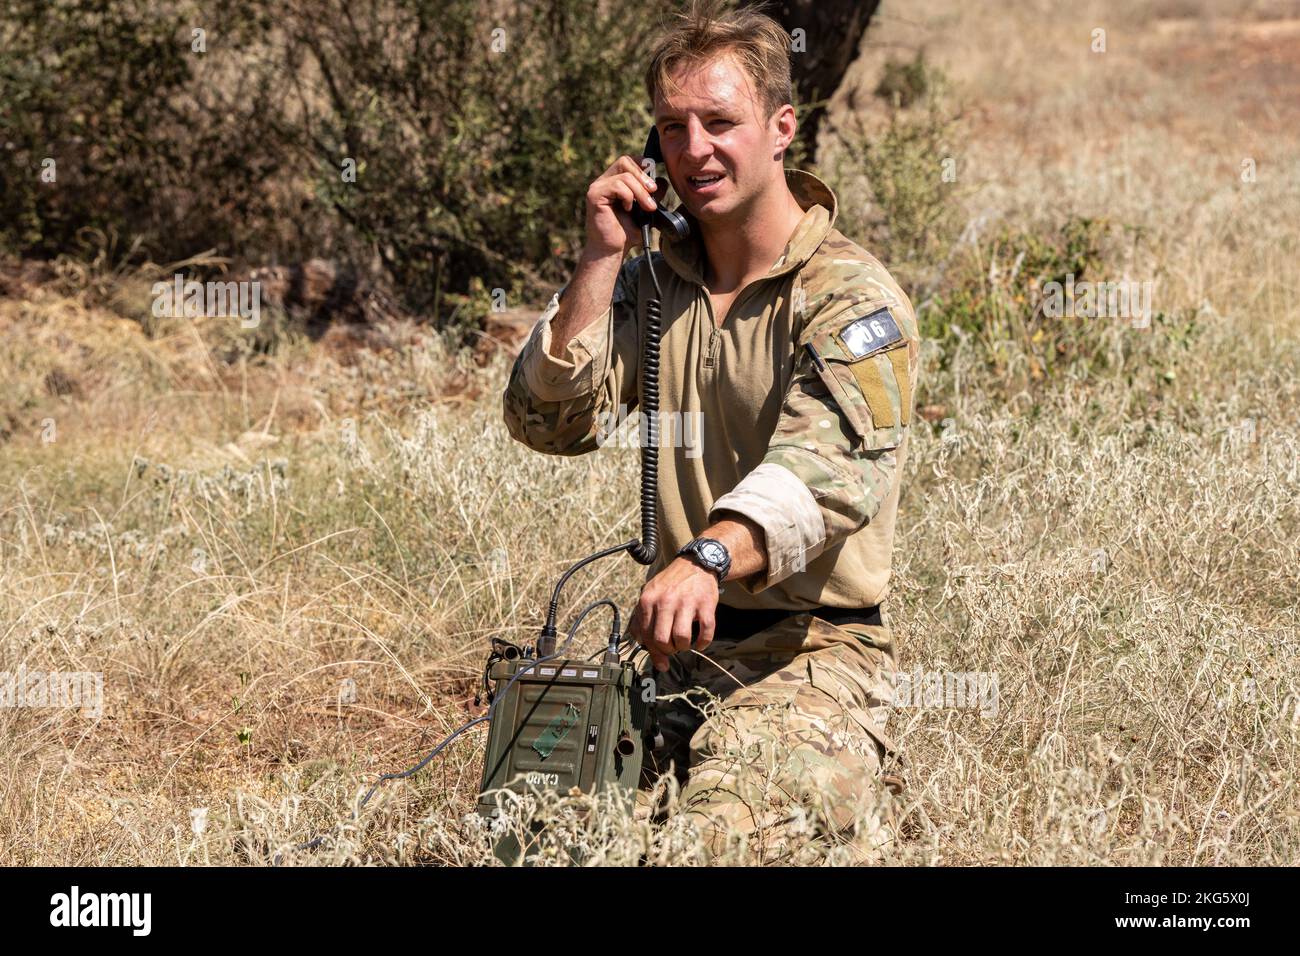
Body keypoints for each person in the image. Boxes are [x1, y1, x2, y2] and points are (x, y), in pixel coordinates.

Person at [503, 0, 919, 863]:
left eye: (720, 122)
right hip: (669, 652)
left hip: (811, 655)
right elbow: (544, 421)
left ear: (781, 129)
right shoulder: (650, 285)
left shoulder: (851, 298)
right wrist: (600, 258)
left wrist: (709, 556)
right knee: (529, 834)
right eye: (672, 127)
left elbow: (828, 471)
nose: (694, 151)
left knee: (706, 846)